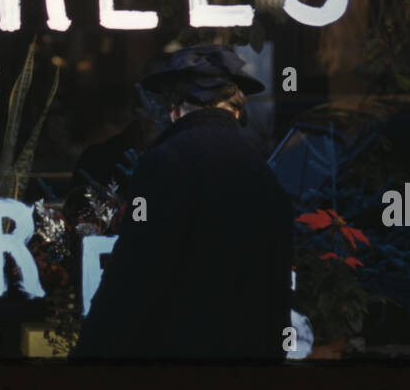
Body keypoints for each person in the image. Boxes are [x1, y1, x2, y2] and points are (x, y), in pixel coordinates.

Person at [71, 44, 294, 361]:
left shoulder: (164, 163)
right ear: (236, 111)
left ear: (174, 109)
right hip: (247, 366)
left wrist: (89, 355)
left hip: (178, 365)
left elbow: (133, 275)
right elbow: (277, 286)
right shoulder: (262, 172)